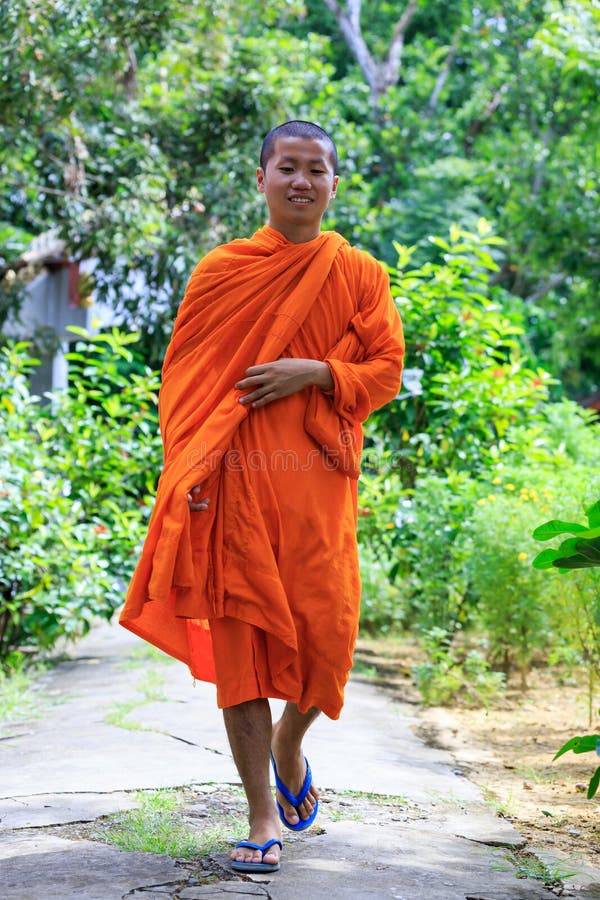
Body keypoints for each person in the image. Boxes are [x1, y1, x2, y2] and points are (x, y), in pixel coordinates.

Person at [120, 120, 404, 874]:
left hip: (316, 493)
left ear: (334, 184)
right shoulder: (223, 271)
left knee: (329, 640)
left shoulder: (359, 273)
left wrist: (315, 372)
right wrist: (191, 474)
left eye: (316, 169)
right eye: (288, 168)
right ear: (262, 180)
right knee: (243, 648)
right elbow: (181, 383)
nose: (302, 181)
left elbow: (385, 371)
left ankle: (291, 741)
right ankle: (260, 815)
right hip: (235, 490)